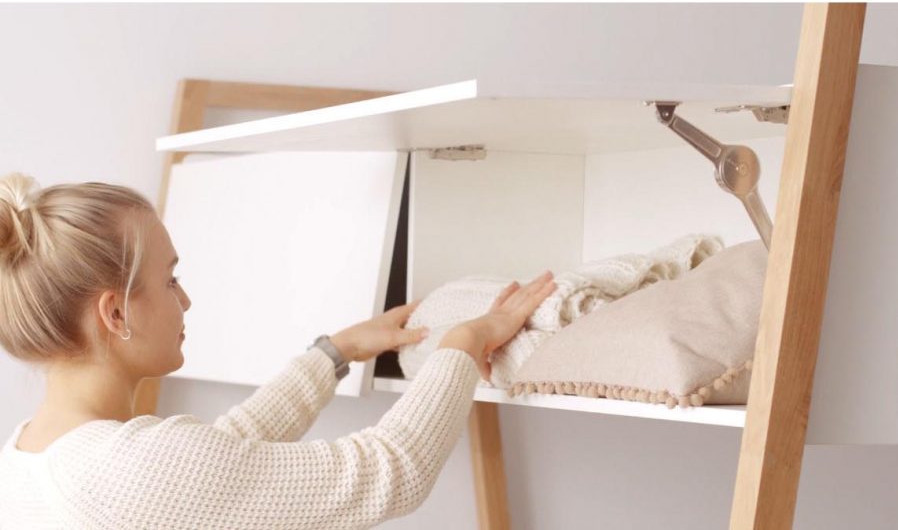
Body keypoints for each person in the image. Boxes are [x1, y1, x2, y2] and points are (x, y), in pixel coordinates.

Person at [0, 173, 555, 529]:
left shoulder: (24, 454)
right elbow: (392, 469)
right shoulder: (137, 466)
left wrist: (332, 354)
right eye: (170, 281)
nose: (186, 299)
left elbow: (218, 459)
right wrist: (463, 342)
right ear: (116, 313)